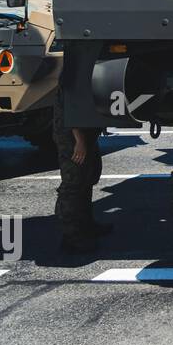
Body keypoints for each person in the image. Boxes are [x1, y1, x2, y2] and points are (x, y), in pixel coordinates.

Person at [52, 83, 111, 253]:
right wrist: (79, 140)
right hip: (71, 133)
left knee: (86, 178)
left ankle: (86, 226)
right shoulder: (75, 69)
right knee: (73, 182)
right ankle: (71, 237)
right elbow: (70, 104)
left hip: (84, 132)